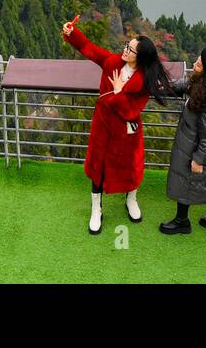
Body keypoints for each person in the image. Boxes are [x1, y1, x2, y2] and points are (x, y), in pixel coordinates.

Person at [62, 15, 175, 235]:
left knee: (130, 166)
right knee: (99, 167)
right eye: (127, 46)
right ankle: (97, 208)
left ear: (140, 57)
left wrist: (117, 93)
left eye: (131, 50)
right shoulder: (113, 62)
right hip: (103, 127)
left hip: (126, 130)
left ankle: (131, 199)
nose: (125, 50)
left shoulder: (143, 81)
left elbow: (130, 111)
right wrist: (71, 34)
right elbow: (90, 49)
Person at [159, 46, 206, 236]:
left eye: (198, 63)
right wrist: (165, 87)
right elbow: (187, 84)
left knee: (186, 178)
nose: (194, 64)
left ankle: (182, 221)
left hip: (200, 145)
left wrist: (199, 158)